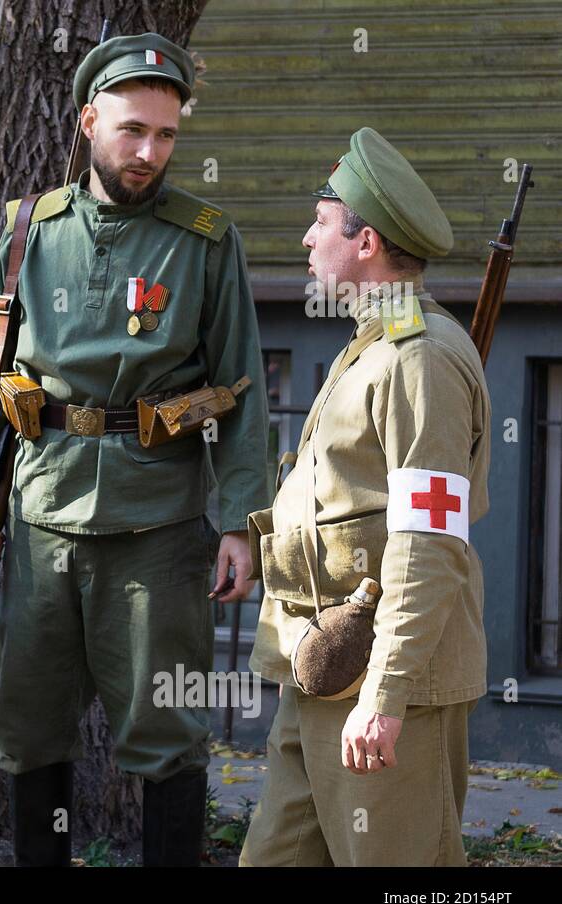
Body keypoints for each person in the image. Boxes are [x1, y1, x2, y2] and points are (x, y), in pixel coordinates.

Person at [0, 33, 271, 866]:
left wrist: (240, 521)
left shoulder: (203, 238)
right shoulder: (30, 230)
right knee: (29, 728)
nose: (148, 152)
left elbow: (240, 387)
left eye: (165, 135)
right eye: (132, 130)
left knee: (167, 732)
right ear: (90, 120)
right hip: (42, 512)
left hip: (157, 524)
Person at [240, 128, 489, 867]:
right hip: (321, 663)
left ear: (367, 241)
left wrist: (385, 693)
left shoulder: (421, 361)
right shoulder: (374, 344)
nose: (307, 240)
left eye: (321, 223)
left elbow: (431, 540)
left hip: (385, 682)